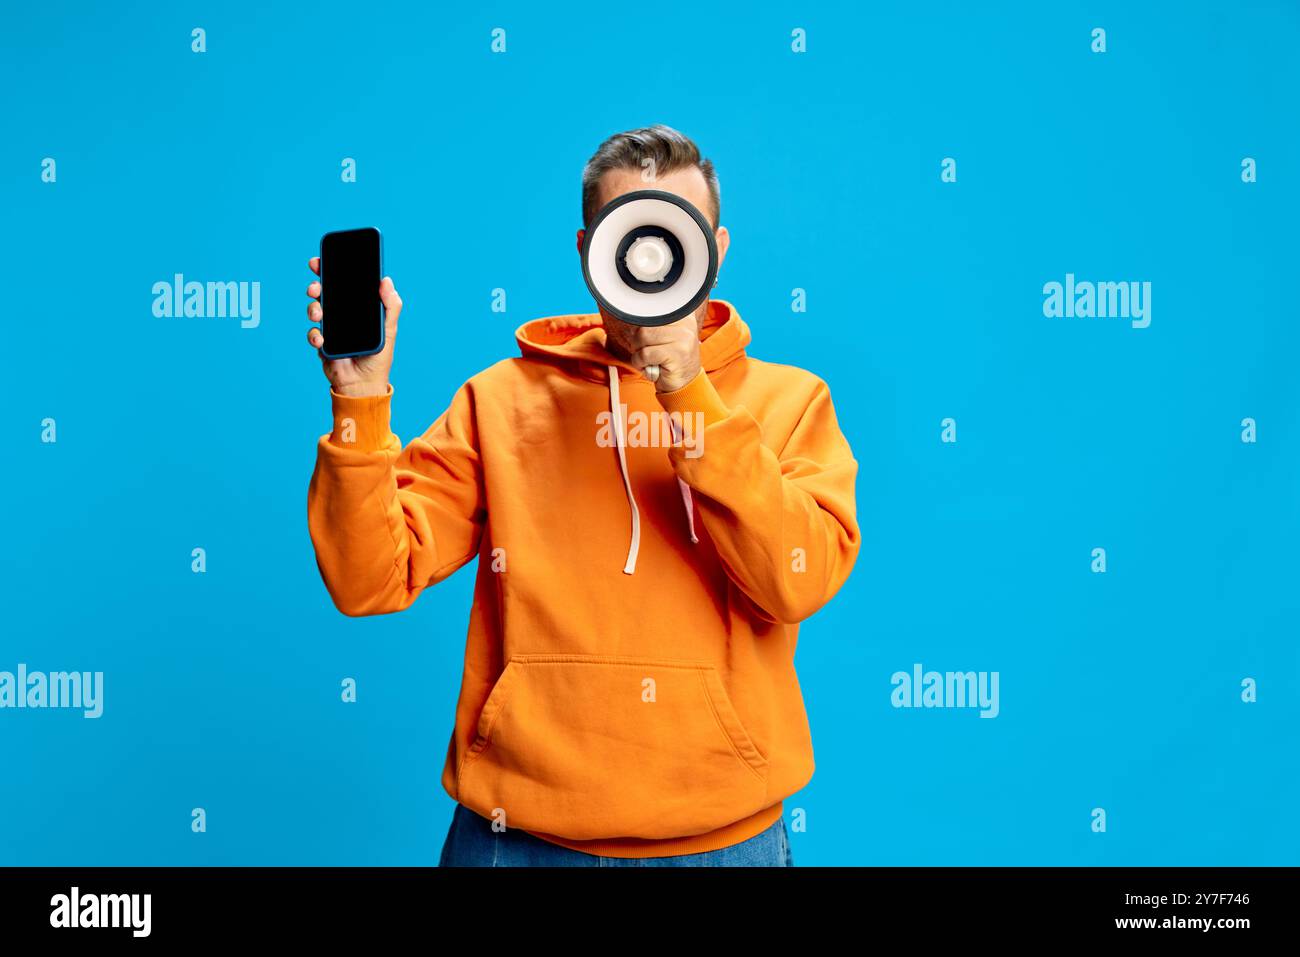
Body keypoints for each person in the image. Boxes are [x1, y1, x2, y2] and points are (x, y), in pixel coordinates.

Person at [304, 125, 860, 866]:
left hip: (720, 843)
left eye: (673, 233)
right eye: (627, 233)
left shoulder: (789, 401)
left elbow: (796, 579)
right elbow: (366, 577)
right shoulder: (502, 401)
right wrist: (360, 404)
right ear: (587, 254)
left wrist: (688, 394)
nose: (650, 258)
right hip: (515, 838)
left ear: (717, 250)